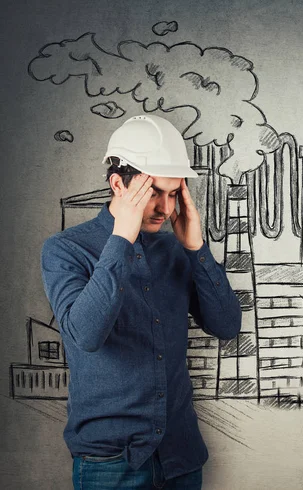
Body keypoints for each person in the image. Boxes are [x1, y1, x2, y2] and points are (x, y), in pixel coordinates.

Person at [41, 114, 242, 489]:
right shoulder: (65, 249)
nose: (165, 208)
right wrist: (121, 241)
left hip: (180, 455)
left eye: (173, 193)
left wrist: (196, 248)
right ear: (118, 183)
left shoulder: (175, 249)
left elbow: (227, 325)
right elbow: (85, 335)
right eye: (153, 192)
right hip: (111, 463)